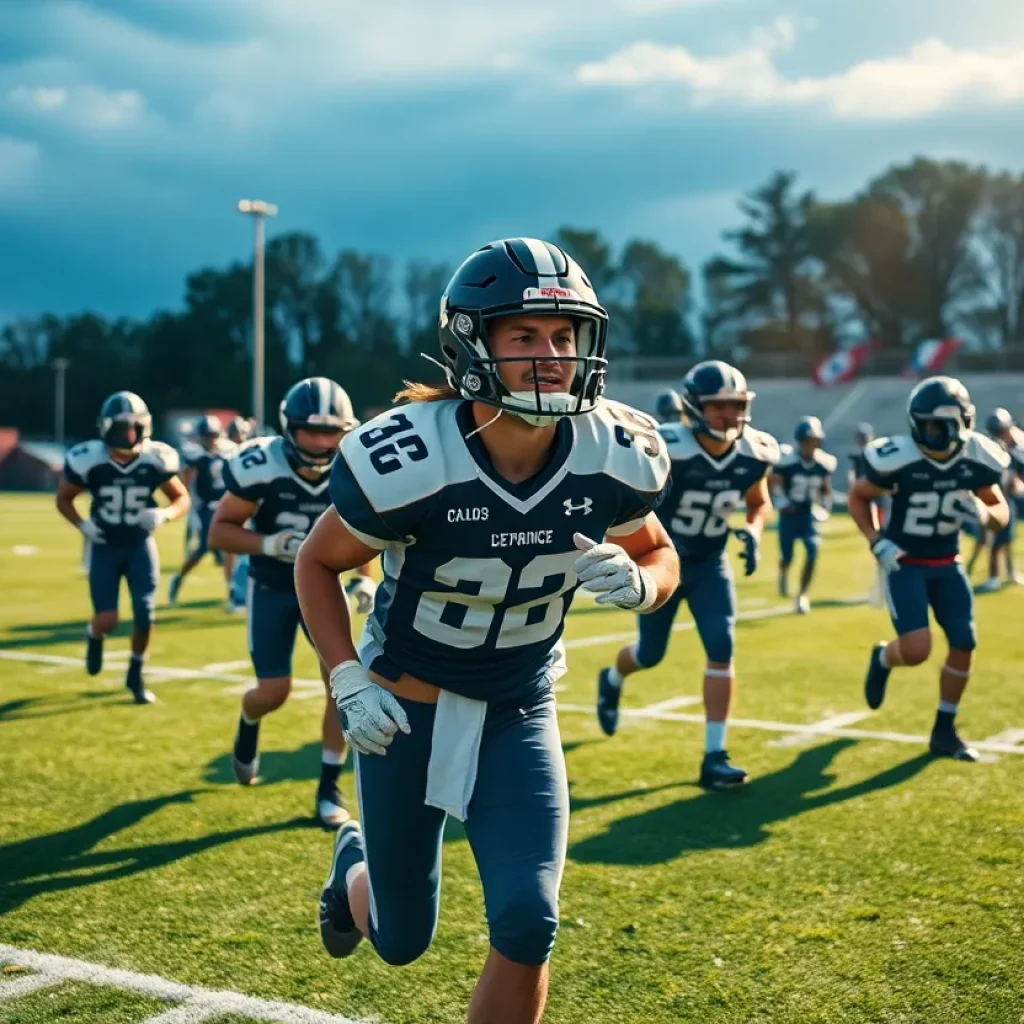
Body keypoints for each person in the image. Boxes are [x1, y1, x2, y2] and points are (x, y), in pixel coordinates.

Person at [295, 238, 677, 1024]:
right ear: (474, 345)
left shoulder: (611, 452)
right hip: (405, 712)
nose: (551, 355)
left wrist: (643, 587)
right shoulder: (414, 456)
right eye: (525, 337)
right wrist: (345, 677)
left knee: (530, 920)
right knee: (401, 940)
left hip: (518, 711)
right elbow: (316, 562)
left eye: (565, 337)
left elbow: (659, 550)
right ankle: (353, 862)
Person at [596, 360, 778, 789]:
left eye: (735, 406)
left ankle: (714, 755)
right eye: (718, 407)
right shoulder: (666, 447)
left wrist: (753, 530)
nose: (729, 416)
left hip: (711, 564)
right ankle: (613, 677)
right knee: (649, 654)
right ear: (695, 408)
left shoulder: (756, 451)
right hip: (666, 563)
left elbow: (758, 499)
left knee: (721, 645)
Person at [209, 378, 375, 829]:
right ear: (289, 429)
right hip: (273, 589)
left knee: (341, 686)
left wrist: (363, 580)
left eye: (331, 432)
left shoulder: (358, 464)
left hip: (324, 587)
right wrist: (267, 543)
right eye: (310, 432)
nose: (322, 443)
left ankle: (328, 787)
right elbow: (220, 530)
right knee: (273, 692)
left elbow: (371, 529)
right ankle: (249, 717)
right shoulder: (260, 463)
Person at [847, 376, 1010, 761]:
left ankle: (944, 729)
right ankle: (884, 657)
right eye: (924, 424)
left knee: (964, 643)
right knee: (918, 650)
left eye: (938, 425)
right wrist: (875, 539)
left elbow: (1000, 509)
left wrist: (985, 514)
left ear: (962, 423)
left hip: (948, 562)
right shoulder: (898, 457)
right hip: (904, 563)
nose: (928, 432)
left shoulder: (977, 457)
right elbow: (858, 496)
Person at [55, 391, 190, 703]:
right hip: (104, 545)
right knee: (107, 618)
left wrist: (165, 513)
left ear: (144, 427)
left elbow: (181, 498)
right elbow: (64, 498)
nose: (128, 433)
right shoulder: (90, 459)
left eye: (134, 426)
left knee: (145, 614)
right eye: (121, 426)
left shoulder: (156, 458)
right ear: (106, 428)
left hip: (139, 544)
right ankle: (94, 635)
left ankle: (135, 673)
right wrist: (82, 524)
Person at [169, 414, 236, 608]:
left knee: (228, 547)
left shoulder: (228, 452)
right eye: (207, 435)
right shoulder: (194, 455)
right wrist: (191, 507)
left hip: (225, 505)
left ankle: (232, 590)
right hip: (204, 507)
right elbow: (185, 484)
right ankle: (179, 578)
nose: (210, 439)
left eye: (213, 435)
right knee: (203, 550)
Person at [771, 416, 837, 613]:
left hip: (807, 513)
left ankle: (802, 595)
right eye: (808, 440)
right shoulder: (787, 461)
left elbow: (826, 489)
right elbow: (774, 484)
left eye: (814, 440)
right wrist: (781, 502)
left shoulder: (824, 463)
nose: (811, 444)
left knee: (813, 549)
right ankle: (783, 572)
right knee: (787, 556)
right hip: (789, 514)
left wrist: (825, 508)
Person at [976, 408, 1024, 591]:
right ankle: (993, 577)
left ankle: (1010, 572)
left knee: (1008, 538)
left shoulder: (1014, 448)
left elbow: (1017, 472)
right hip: (994, 499)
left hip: (1008, 498)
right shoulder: (991, 451)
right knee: (997, 540)